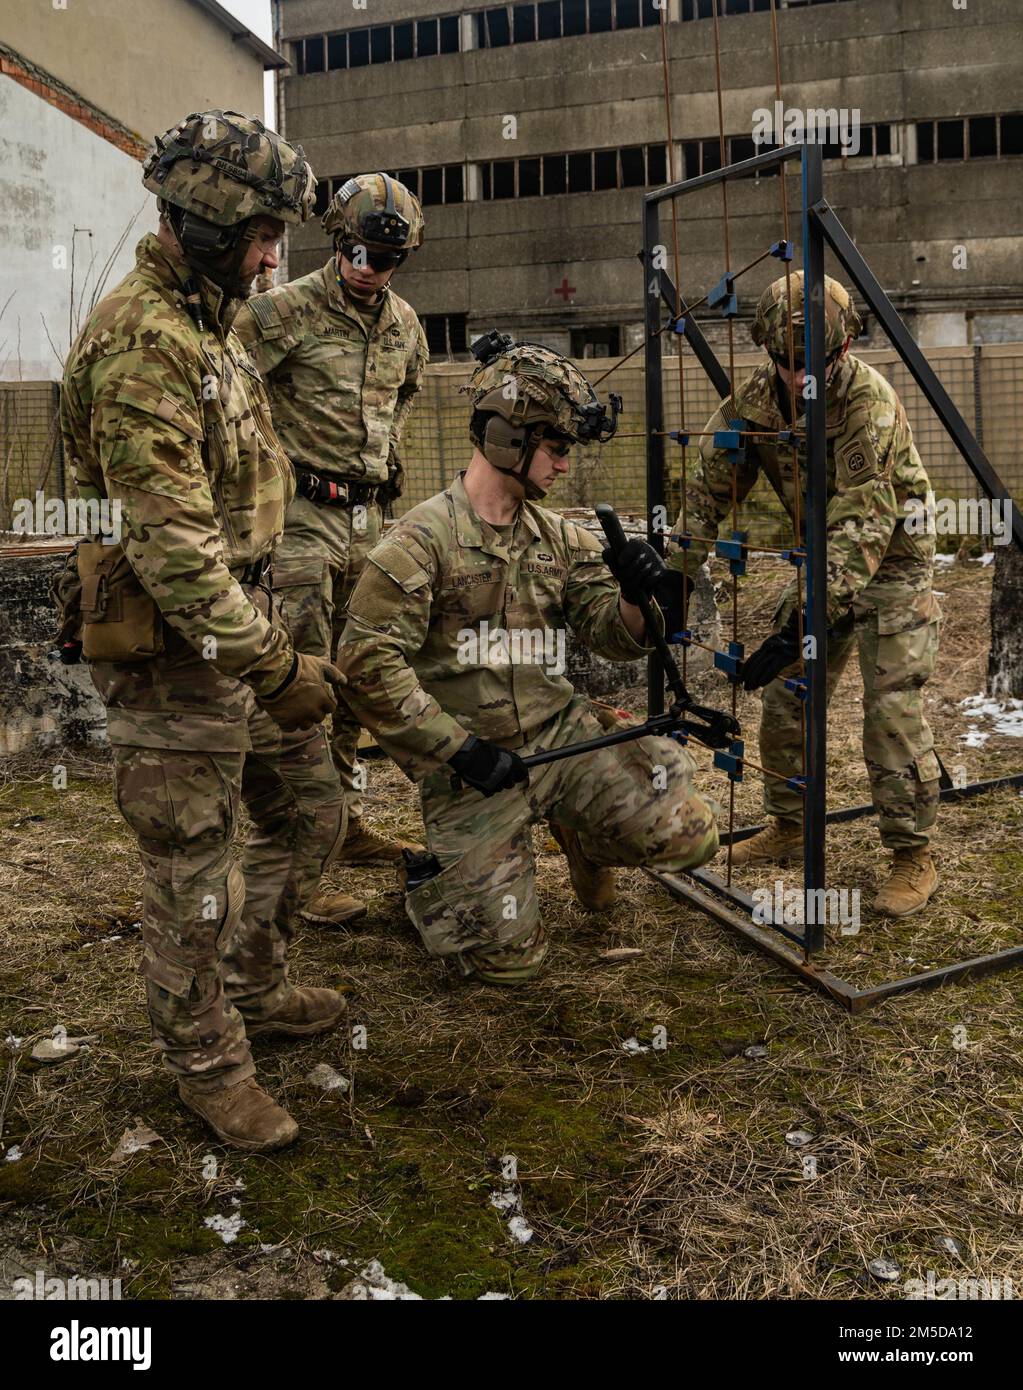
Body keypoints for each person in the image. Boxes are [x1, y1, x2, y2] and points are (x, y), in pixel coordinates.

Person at [59, 111, 349, 1151]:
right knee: (195, 876)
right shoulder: (144, 344)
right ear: (209, 219)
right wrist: (276, 666)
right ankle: (207, 1062)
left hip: (243, 624)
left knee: (313, 810)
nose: (277, 256)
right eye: (265, 232)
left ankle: (257, 989)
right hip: (175, 655)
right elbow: (177, 557)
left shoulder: (211, 321)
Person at [334, 334, 720, 983]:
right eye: (557, 447)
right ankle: (440, 880)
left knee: (688, 835)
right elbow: (366, 667)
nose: (565, 465)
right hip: (473, 766)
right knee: (508, 964)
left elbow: (613, 634)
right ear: (509, 439)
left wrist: (637, 596)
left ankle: (582, 838)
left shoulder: (557, 537)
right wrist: (457, 751)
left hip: (562, 741)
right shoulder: (420, 542)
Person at [667, 272, 941, 916]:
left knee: (891, 710)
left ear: (841, 350)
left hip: (891, 564)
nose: (799, 377)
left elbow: (862, 528)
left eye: (814, 362)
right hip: (823, 561)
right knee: (789, 697)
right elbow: (709, 488)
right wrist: (677, 572)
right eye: (787, 362)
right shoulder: (754, 399)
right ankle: (790, 826)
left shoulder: (867, 404)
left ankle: (911, 853)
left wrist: (795, 624)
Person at [233, 173, 429, 917]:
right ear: (334, 240)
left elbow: (402, 401)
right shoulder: (278, 312)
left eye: (382, 258)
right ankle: (294, 853)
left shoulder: (404, 324)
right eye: (354, 250)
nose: (365, 267)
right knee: (301, 679)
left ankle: (339, 827)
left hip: (370, 524)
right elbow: (229, 396)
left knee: (357, 674)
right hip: (301, 520)